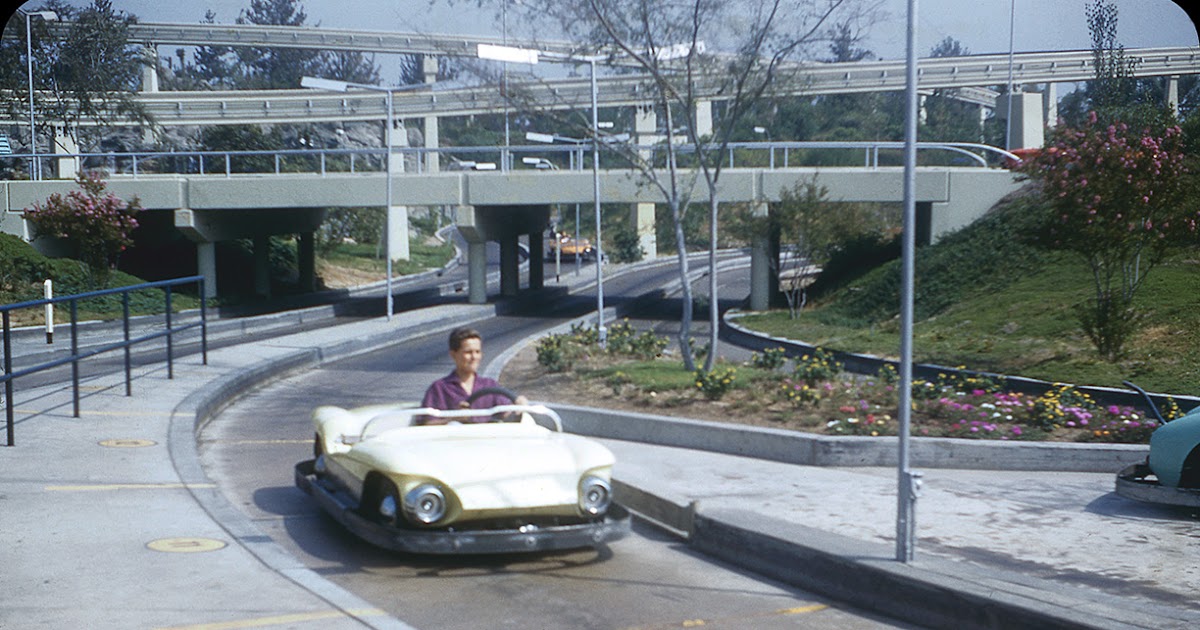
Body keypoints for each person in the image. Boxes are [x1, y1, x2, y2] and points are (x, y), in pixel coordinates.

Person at [419, 327, 525, 424]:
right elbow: (427, 424)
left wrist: (519, 405)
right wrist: (455, 418)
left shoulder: (490, 385)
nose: (474, 357)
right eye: (468, 352)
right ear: (453, 354)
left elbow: (506, 413)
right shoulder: (439, 388)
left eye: (477, 352)